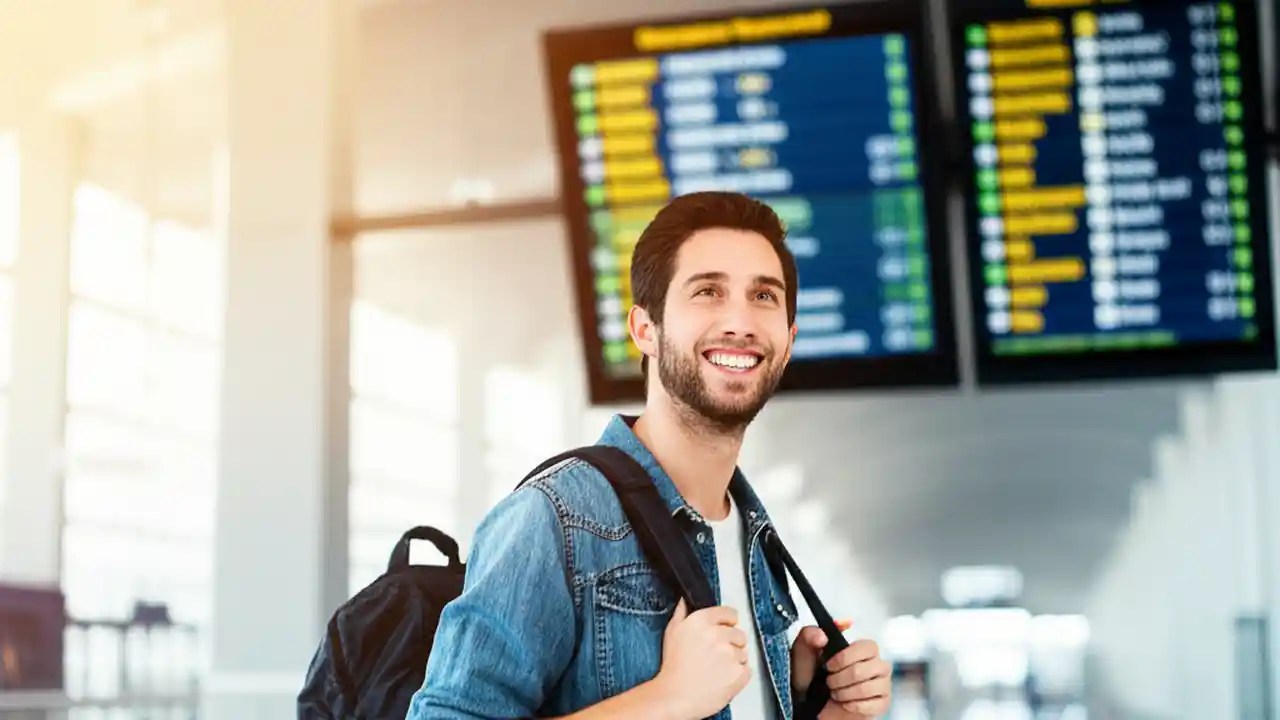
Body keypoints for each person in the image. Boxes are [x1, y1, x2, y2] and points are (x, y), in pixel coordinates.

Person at [406, 192, 892, 719]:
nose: (740, 321)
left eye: (764, 297)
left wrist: (813, 709)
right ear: (645, 330)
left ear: (789, 340)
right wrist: (667, 699)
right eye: (707, 291)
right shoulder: (556, 519)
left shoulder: (760, 544)